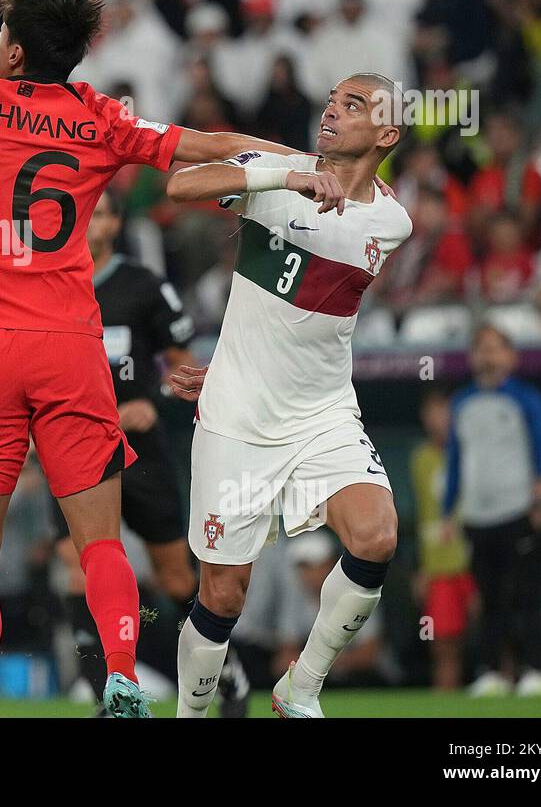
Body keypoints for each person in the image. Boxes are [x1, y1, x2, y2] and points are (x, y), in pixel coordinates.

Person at [0, 0, 300, 717]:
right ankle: (122, 674)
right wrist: (303, 165)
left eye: (0, 34)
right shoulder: (100, 118)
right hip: (70, 349)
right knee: (100, 544)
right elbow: (203, 146)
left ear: (16, 52)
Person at [165, 72, 412, 718]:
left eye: (352, 105)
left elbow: (307, 303)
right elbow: (180, 184)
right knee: (223, 596)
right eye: (332, 100)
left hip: (323, 413)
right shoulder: (276, 171)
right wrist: (282, 178)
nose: (332, 110)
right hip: (238, 416)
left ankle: (300, 686)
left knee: (377, 534)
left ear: (386, 133)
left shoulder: (392, 222)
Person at [51, 188, 249, 717]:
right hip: (73, 449)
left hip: (139, 452)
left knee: (177, 577)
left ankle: (227, 675)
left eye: (100, 212)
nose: (89, 222)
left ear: (115, 224)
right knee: (78, 567)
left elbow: (186, 368)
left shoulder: (142, 286)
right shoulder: (48, 285)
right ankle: (107, 698)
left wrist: (154, 401)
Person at [444, 324, 541, 697]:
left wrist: (540, 499)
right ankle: (491, 671)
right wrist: (448, 512)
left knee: (524, 595)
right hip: (476, 517)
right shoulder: (460, 403)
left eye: (495, 349)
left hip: (517, 511)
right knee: (488, 600)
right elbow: (456, 460)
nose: (487, 356)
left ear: (511, 356)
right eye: (481, 349)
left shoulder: (527, 399)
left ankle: (534, 669)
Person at [409, 390, 474, 691]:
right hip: (439, 568)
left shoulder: (474, 452)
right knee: (443, 644)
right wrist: (421, 567)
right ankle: (446, 704)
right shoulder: (420, 459)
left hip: (475, 560)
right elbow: (422, 516)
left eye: (445, 411)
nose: (439, 419)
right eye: (432, 412)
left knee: (495, 636)